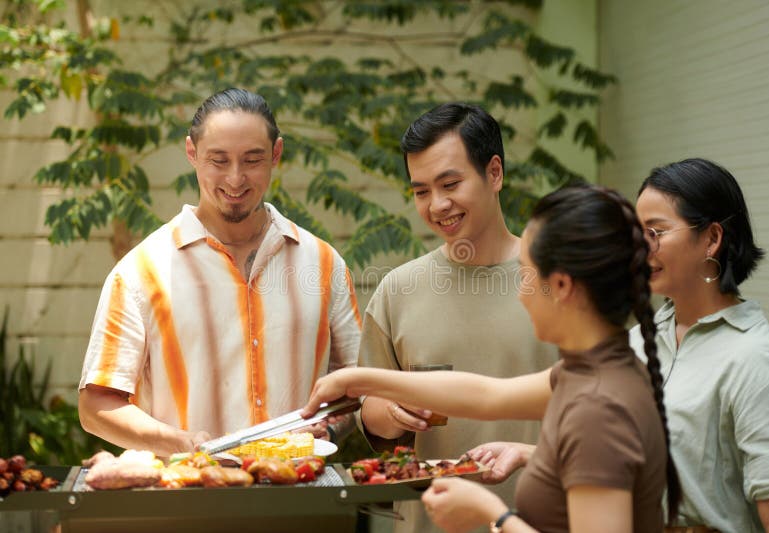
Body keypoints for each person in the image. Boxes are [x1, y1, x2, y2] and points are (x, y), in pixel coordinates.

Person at [304, 184, 681, 533]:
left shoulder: (599, 407)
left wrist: (491, 513)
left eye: (526, 275)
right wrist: (359, 381)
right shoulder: (592, 371)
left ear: (562, 286)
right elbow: (486, 395)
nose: (520, 294)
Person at [78, 88, 361, 457]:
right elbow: (96, 405)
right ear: (192, 153)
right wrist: (179, 443)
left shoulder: (323, 263)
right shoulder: (140, 271)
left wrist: (330, 428)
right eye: (219, 160)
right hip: (188, 489)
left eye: (252, 160)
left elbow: (357, 387)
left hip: (302, 486)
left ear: (276, 154)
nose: (235, 178)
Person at [356, 102, 557, 531]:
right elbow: (366, 414)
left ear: (494, 173)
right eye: (421, 191)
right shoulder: (398, 290)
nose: (437, 205)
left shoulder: (561, 281)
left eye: (450, 184)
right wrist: (390, 412)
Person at [631, 158, 769, 532]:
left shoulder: (755, 360)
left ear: (711, 238)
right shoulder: (640, 338)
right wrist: (529, 454)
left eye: (655, 232)